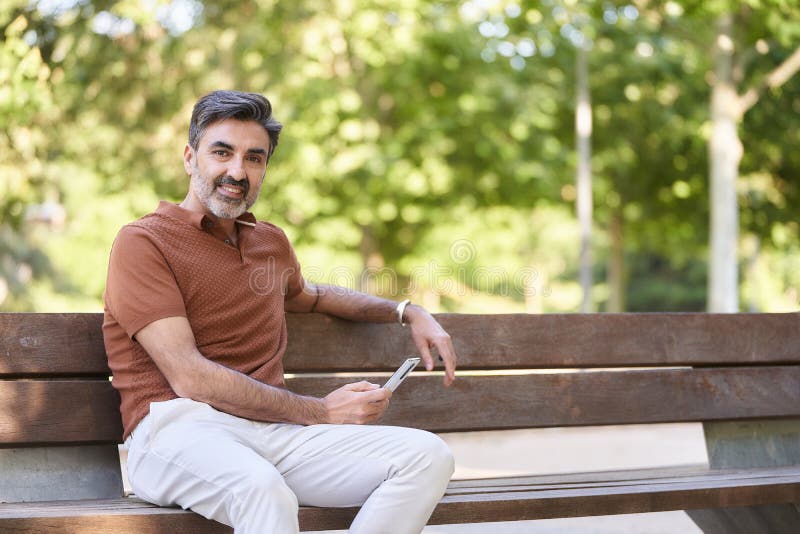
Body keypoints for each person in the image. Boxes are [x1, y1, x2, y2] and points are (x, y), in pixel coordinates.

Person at [102, 90, 458, 533]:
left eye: (255, 158)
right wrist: (321, 412)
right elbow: (190, 377)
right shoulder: (144, 243)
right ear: (190, 158)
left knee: (426, 457)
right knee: (261, 488)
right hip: (176, 432)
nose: (237, 171)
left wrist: (406, 310)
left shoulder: (268, 242)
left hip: (272, 432)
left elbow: (314, 295)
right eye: (222, 152)